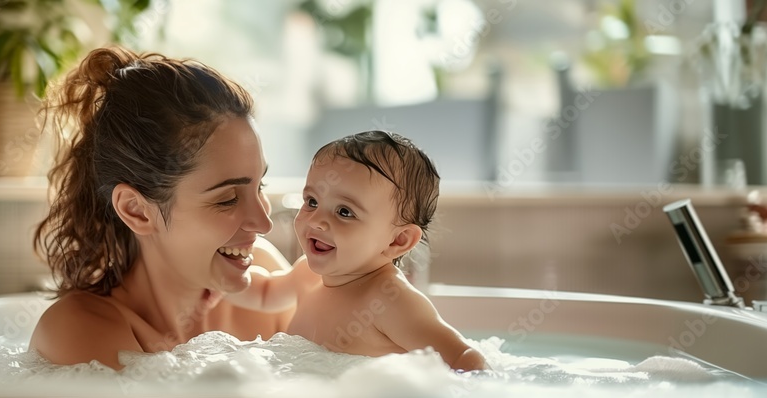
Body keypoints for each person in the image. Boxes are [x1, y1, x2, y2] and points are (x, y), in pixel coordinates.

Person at [29, 46, 295, 370]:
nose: (263, 223)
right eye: (228, 198)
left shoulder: (265, 277)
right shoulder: (78, 331)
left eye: (260, 186)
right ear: (137, 211)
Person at [225, 131, 487, 372]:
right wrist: (213, 272)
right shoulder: (307, 273)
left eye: (344, 212)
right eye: (312, 201)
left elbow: (464, 357)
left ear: (398, 240)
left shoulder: (390, 300)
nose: (316, 220)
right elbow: (264, 293)